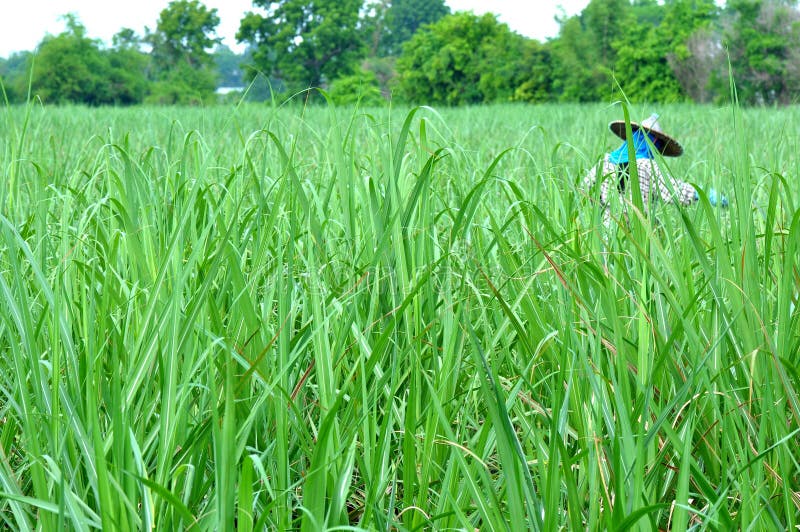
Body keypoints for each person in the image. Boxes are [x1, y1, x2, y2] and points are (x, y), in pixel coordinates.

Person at [583, 113, 726, 227]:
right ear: (653, 143)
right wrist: (700, 192)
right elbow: (674, 192)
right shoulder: (646, 166)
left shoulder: (605, 161)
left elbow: (584, 190)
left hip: (605, 228)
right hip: (637, 229)